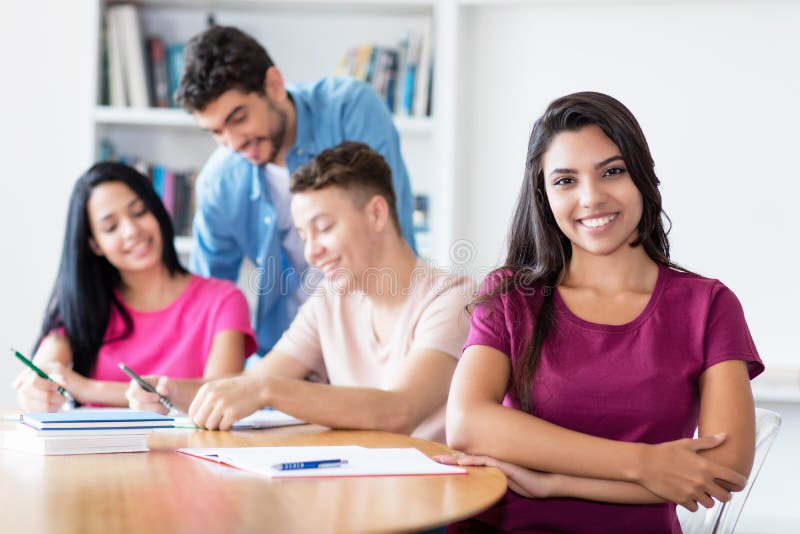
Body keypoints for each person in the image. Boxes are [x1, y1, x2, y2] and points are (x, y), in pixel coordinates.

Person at [436, 92, 764, 533]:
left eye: (612, 171)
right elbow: (467, 423)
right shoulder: (512, 296)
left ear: (642, 176)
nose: (591, 198)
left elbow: (723, 469)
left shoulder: (708, 306)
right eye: (565, 181)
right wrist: (643, 463)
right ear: (544, 196)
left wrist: (554, 481)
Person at [129, 142, 472, 443]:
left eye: (323, 228)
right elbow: (250, 384)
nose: (311, 254)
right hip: (361, 488)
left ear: (377, 214)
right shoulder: (330, 300)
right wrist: (170, 391)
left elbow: (400, 410)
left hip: (435, 500)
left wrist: (270, 390)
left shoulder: (452, 299)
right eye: (304, 236)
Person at [175, 25, 418, 357]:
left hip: (379, 339)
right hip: (288, 351)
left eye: (239, 117)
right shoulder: (220, 182)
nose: (233, 143)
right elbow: (209, 298)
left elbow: (391, 234)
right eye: (216, 132)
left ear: (274, 85)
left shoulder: (349, 110)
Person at [13, 162, 256, 412]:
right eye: (111, 227)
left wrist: (88, 389)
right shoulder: (83, 305)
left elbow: (224, 394)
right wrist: (36, 389)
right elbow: (47, 367)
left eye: (139, 212)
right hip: (97, 451)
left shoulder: (223, 300)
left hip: (187, 449)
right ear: (95, 244)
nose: (131, 231)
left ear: (157, 210)